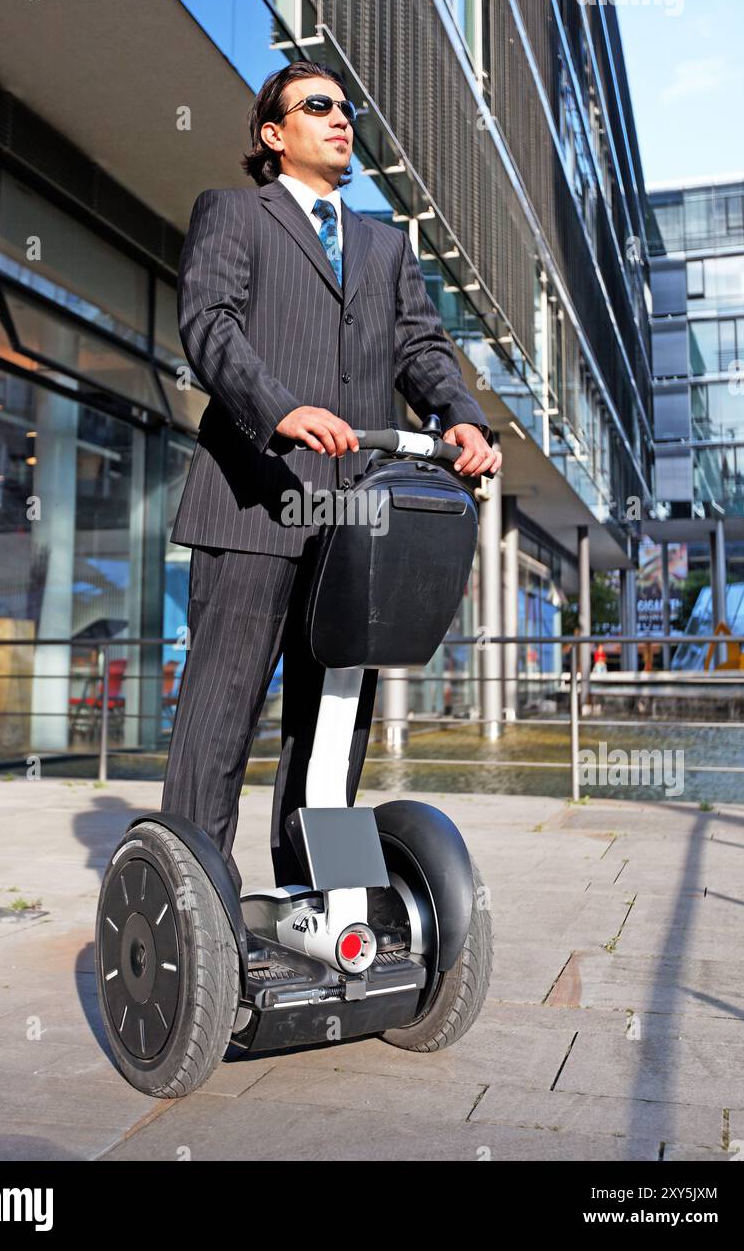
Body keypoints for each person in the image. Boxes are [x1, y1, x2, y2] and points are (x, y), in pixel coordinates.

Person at [162, 59, 501, 896]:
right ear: (274, 136)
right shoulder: (235, 214)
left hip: (354, 521)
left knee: (335, 734)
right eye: (319, 106)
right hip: (251, 504)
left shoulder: (386, 244)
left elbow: (422, 349)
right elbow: (210, 325)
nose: (341, 118)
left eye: (347, 108)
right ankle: (195, 915)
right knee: (220, 724)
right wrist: (278, 408)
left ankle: (331, 905)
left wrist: (459, 415)